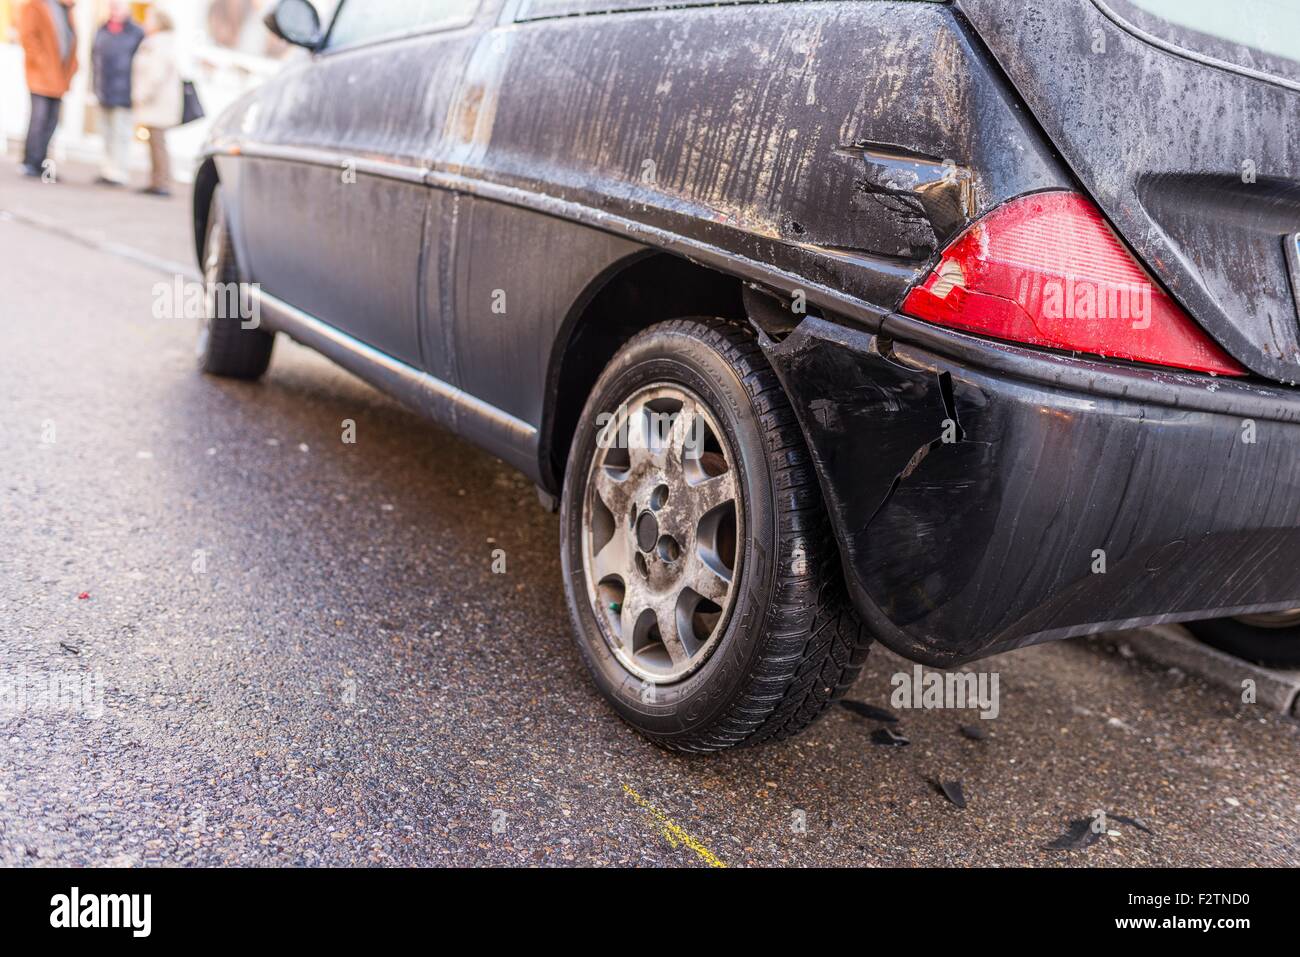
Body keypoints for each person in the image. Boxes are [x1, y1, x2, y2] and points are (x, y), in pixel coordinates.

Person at [18, 0, 79, 179]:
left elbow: (70, 39)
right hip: (41, 75)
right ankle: (30, 162)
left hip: (60, 74)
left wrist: (73, 65)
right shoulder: (35, 6)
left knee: (52, 121)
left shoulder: (66, 9)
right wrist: (42, 62)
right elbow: (28, 37)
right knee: (39, 118)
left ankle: (40, 162)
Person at [91, 1, 144, 186]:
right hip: (104, 90)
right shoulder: (102, 30)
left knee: (121, 134)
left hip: (125, 92)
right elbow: (94, 58)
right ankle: (107, 170)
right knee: (106, 133)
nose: (114, 11)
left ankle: (119, 172)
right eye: (112, 7)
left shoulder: (137, 33)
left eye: (118, 7)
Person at [131, 6, 181, 197]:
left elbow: (156, 75)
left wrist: (141, 95)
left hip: (157, 103)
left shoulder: (159, 44)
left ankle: (162, 183)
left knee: (158, 144)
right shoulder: (156, 43)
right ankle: (156, 181)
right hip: (155, 103)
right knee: (154, 143)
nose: (145, 23)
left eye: (149, 20)